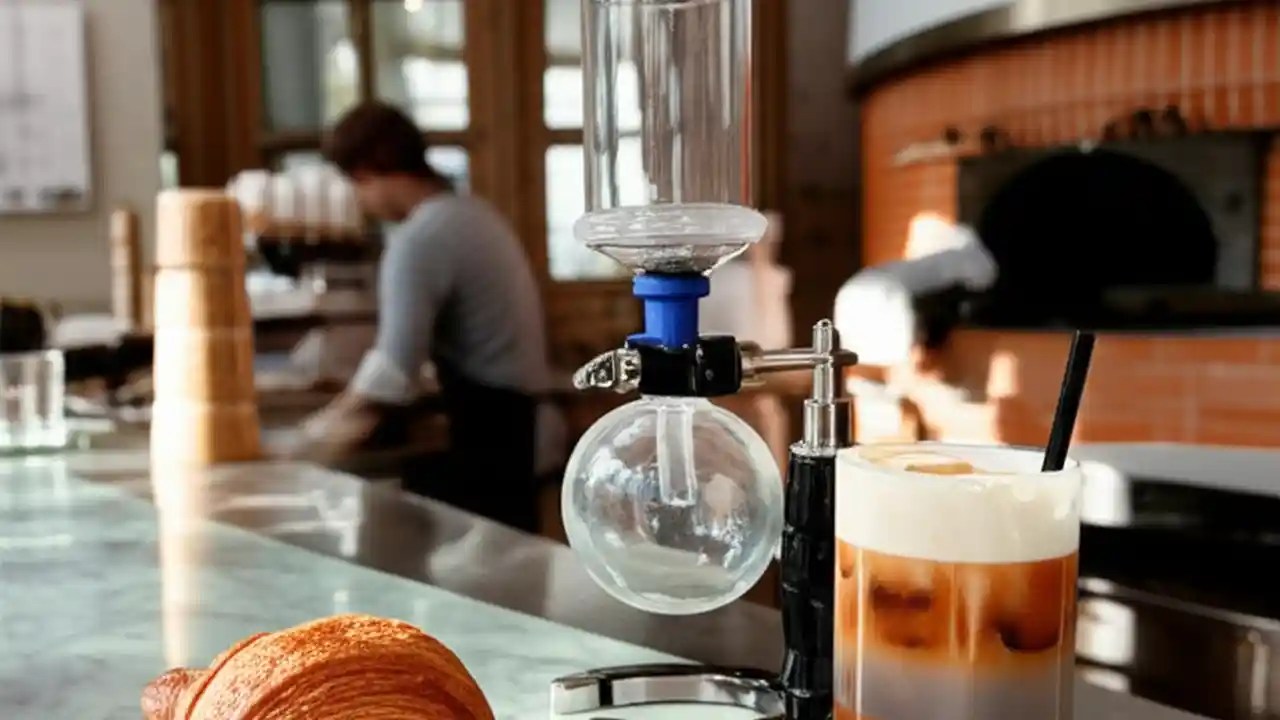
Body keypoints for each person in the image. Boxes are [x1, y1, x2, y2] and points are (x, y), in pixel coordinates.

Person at [302, 101, 551, 533]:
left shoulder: (420, 238)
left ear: (367, 172)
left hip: (481, 434)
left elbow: (394, 374)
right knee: (511, 578)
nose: (363, 203)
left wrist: (313, 436)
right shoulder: (475, 214)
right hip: (520, 427)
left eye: (357, 187)